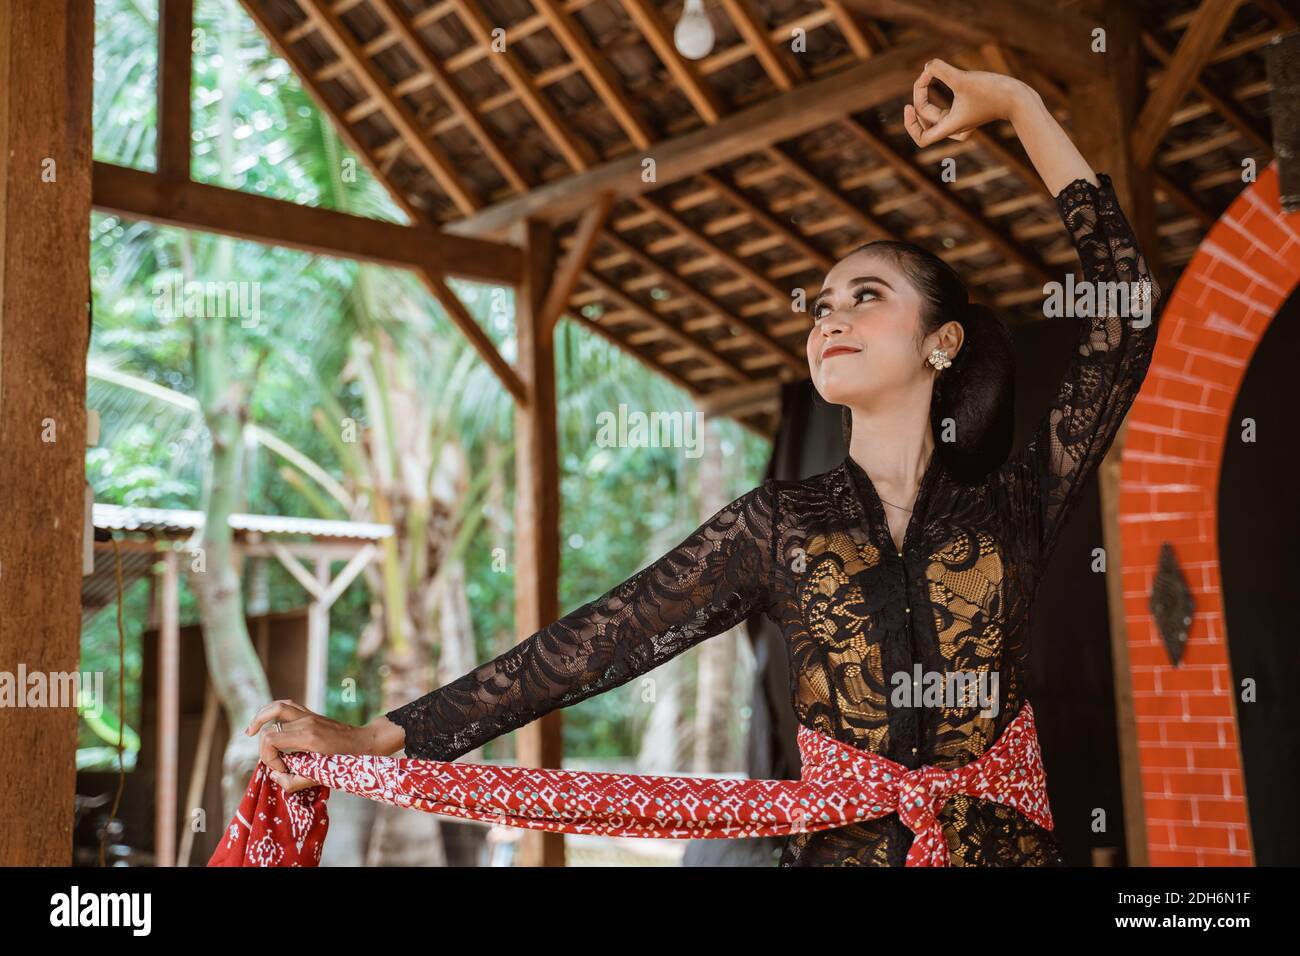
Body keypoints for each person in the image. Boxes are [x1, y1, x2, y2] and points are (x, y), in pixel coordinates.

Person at [245, 59, 1161, 866]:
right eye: (822, 307)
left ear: (942, 343)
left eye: (866, 297)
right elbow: (585, 648)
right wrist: (377, 735)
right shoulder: (777, 526)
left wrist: (1017, 103)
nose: (829, 319)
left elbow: (1122, 309)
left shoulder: (1015, 501)